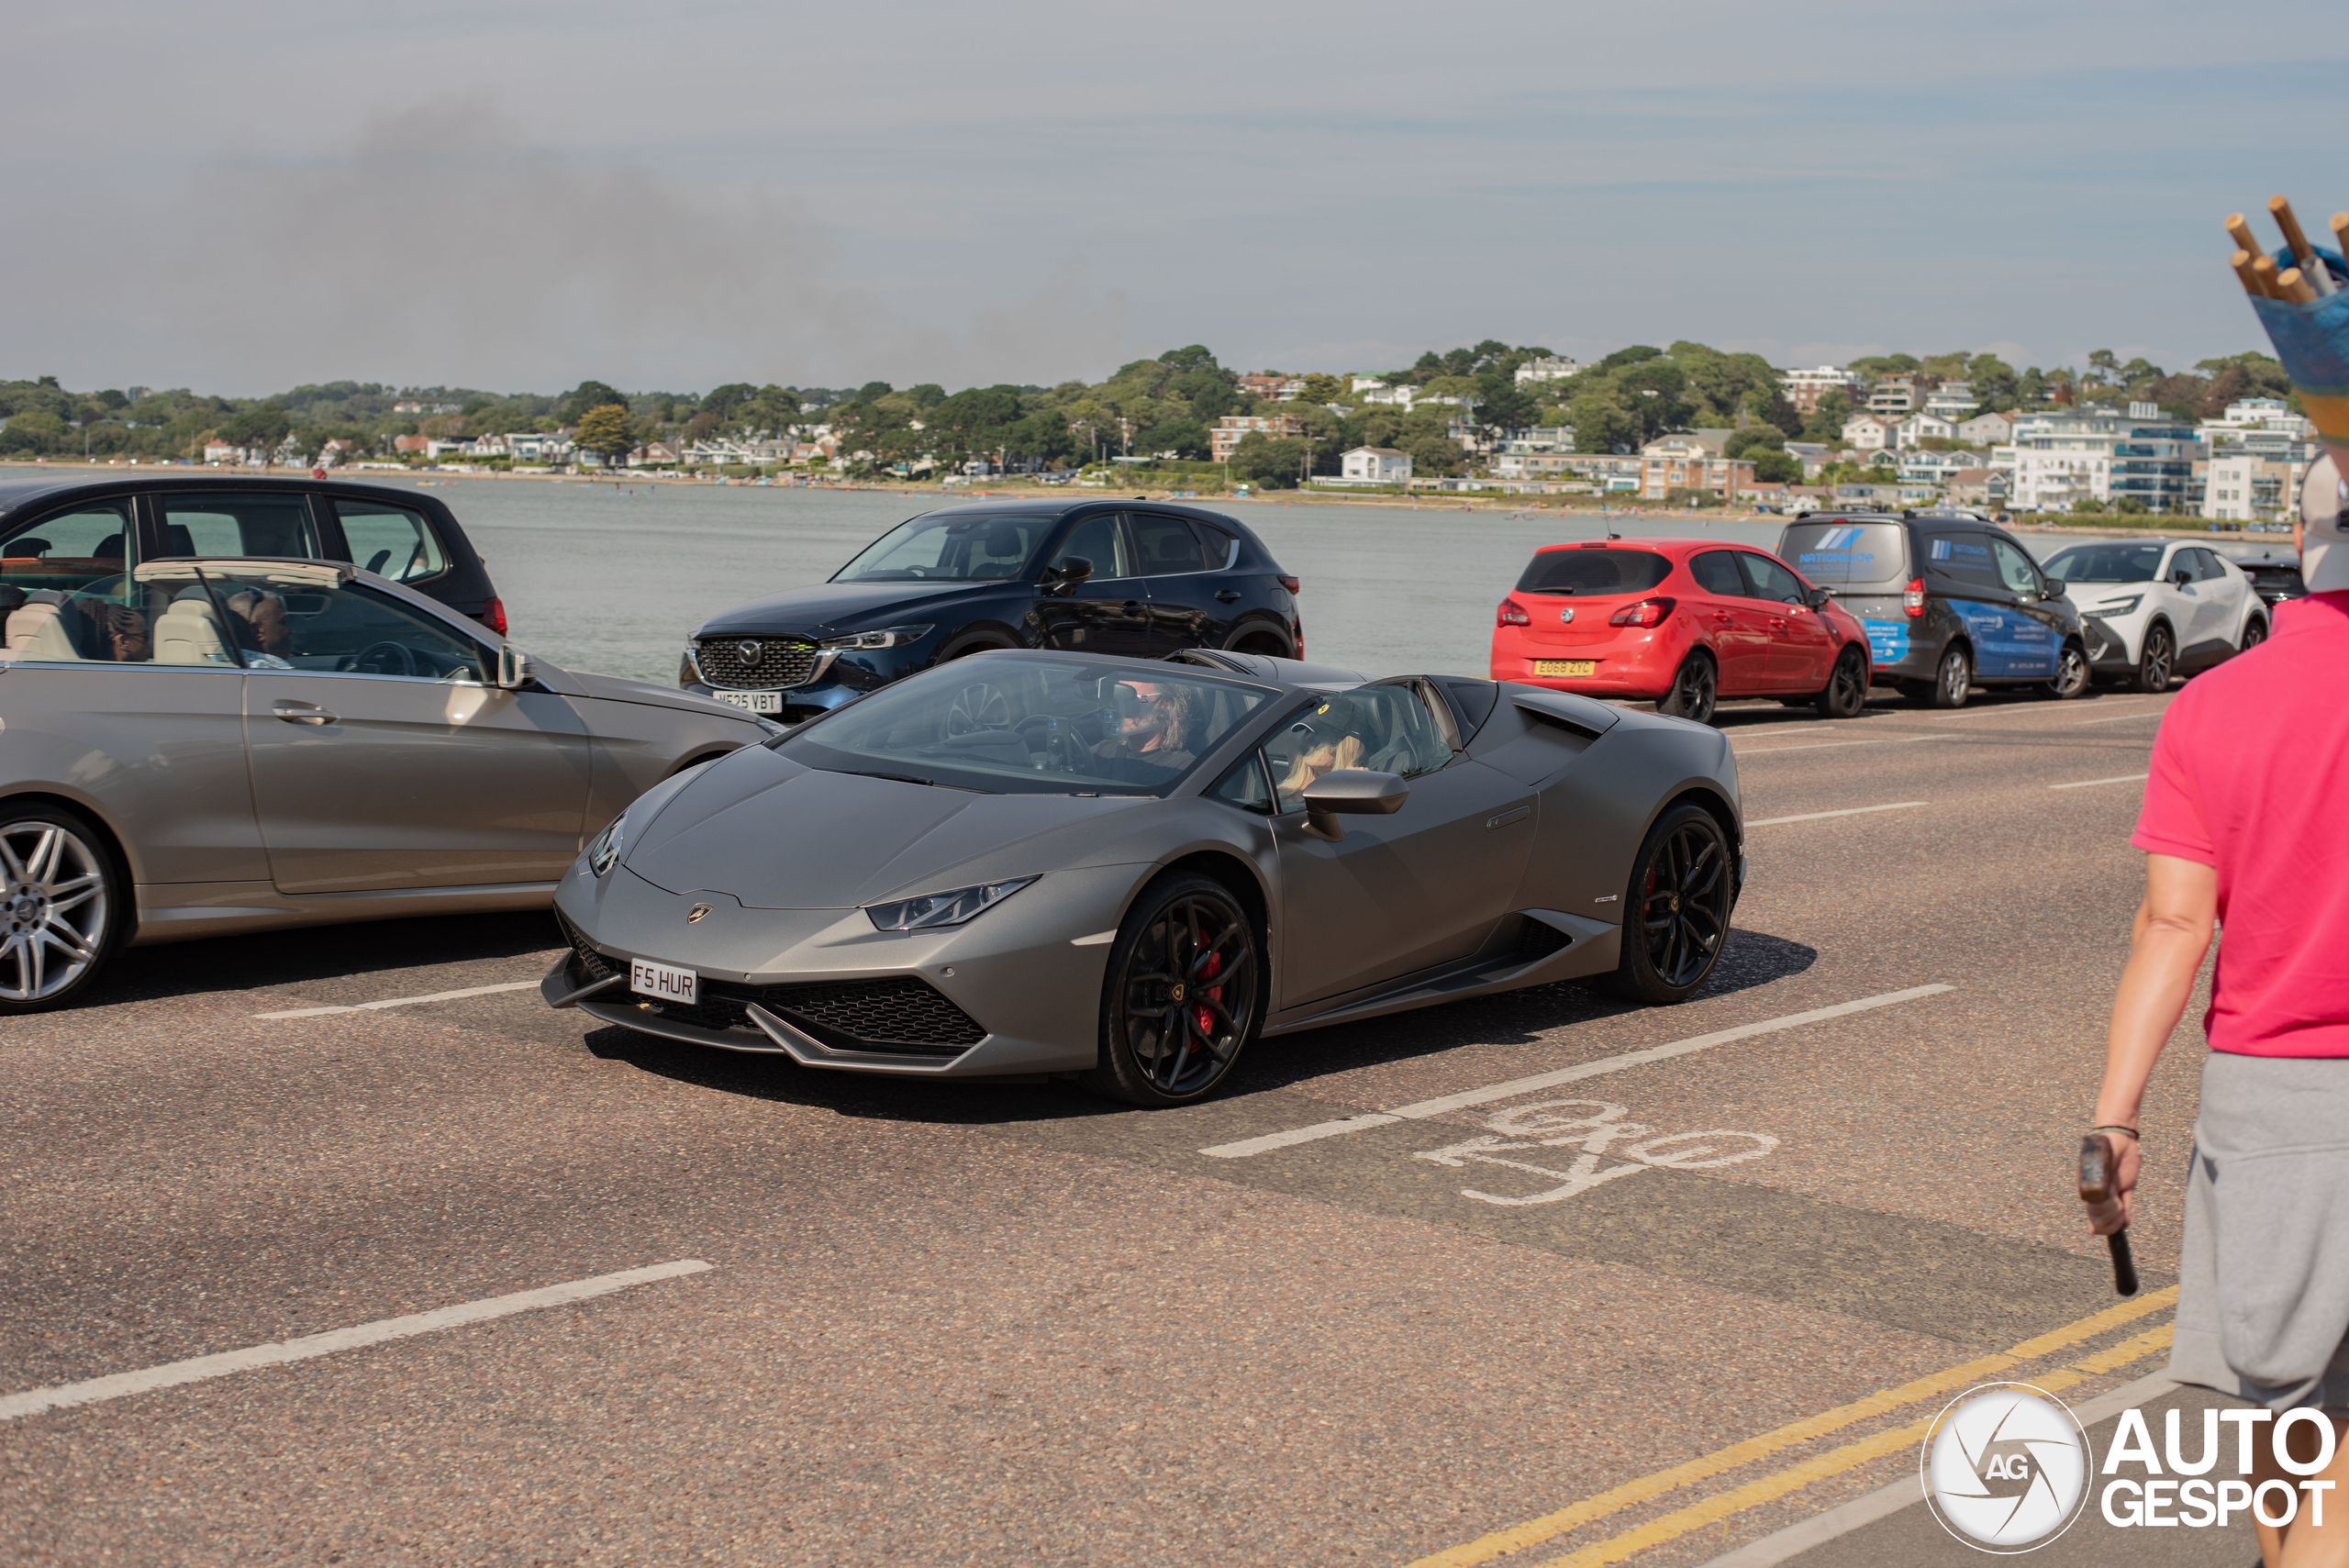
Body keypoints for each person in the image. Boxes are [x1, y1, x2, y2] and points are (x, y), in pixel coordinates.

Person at [2082, 451, 2349, 1567]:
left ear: (2298, 541)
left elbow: (2175, 927)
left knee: (2288, 1420)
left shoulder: (2214, 702)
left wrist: (2115, 1115)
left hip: (2273, 1098)